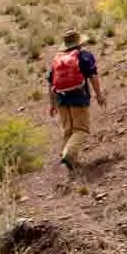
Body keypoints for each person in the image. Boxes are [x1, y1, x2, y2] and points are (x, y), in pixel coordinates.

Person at [45, 30, 104, 170]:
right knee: (81, 130)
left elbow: (51, 83)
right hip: (79, 97)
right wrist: (99, 95)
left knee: (68, 131)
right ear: (79, 43)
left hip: (61, 99)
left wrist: (52, 104)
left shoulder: (57, 59)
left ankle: (71, 163)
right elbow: (93, 77)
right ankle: (68, 154)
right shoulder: (84, 56)